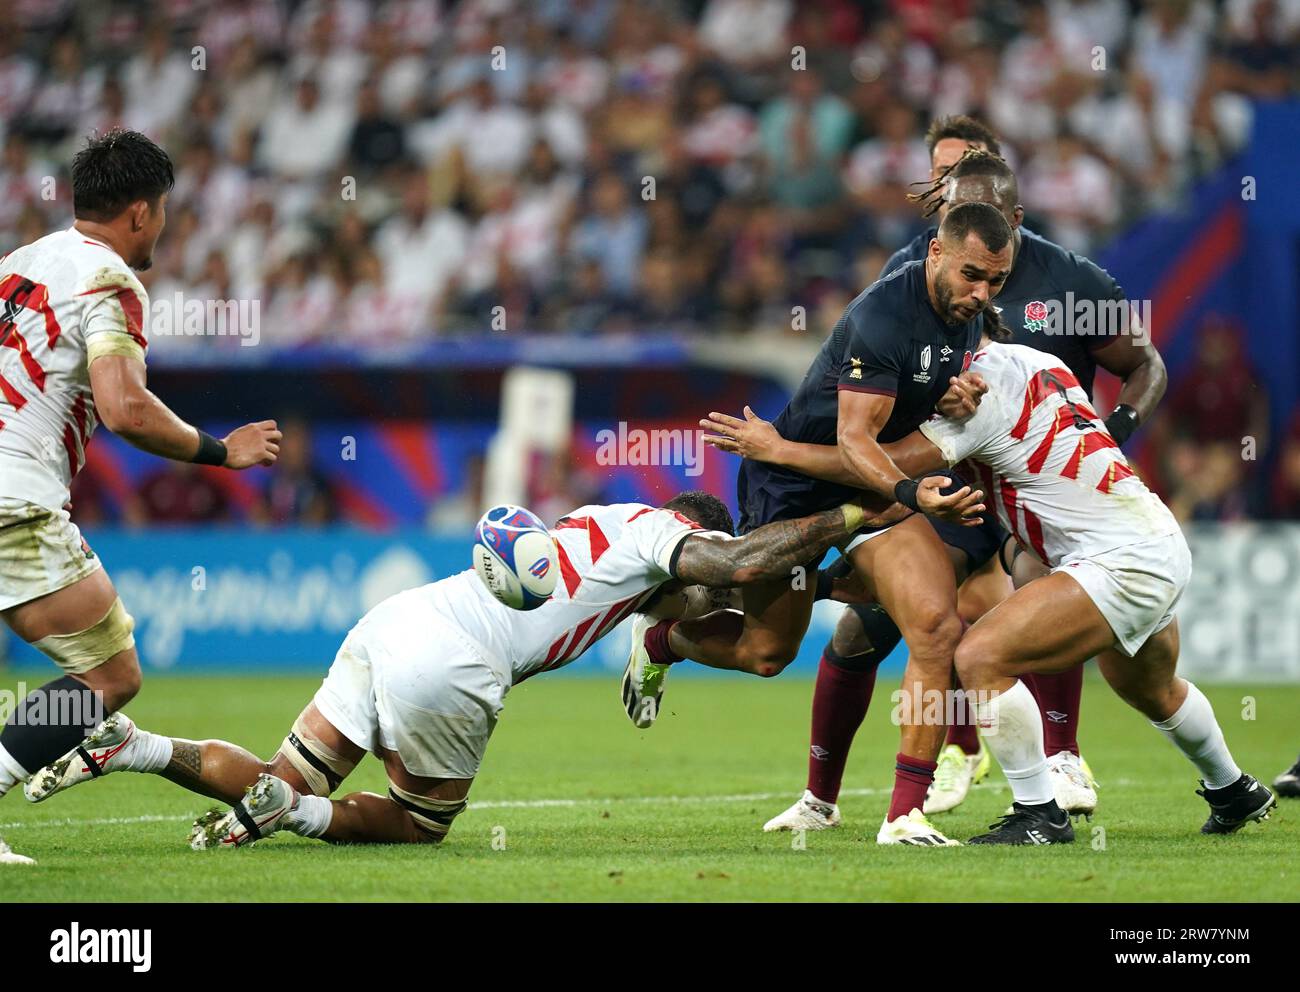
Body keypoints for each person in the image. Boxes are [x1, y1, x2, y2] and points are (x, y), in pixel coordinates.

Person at [23, 492, 893, 850]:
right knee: (417, 826)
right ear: (687, 530)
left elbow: (714, 608)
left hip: (398, 619)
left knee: (278, 774)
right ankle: (294, 813)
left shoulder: (602, 529)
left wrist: (820, 583)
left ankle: (131, 746)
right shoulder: (657, 535)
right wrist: (851, 513)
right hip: (455, 664)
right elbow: (735, 567)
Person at [705, 333, 1274, 843]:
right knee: (1151, 688)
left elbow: (883, 465)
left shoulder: (977, 398)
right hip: (1151, 538)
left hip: (1118, 561)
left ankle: (1039, 813)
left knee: (979, 656)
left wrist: (777, 449)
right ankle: (1233, 789)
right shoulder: (1038, 360)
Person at [761, 133, 1168, 832]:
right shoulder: (914, 271)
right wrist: (938, 402)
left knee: (1031, 587)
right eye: (941, 188)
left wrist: (1109, 435)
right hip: (950, 482)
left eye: (960, 185)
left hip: (1034, 488)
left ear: (1010, 214)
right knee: (870, 630)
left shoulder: (1075, 282)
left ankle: (1059, 760)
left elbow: (1145, 364)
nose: (945, 200)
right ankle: (832, 794)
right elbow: (885, 387)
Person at [622, 201, 1010, 847]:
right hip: (796, 489)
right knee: (766, 653)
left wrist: (950, 391)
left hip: (873, 491)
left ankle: (904, 816)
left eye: (995, 280)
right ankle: (664, 642)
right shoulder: (884, 315)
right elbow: (855, 440)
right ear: (937, 252)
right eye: (972, 275)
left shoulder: (967, 314)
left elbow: (912, 397)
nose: (982, 293)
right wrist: (909, 490)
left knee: (936, 626)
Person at [0, 129, 281, 866]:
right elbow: (124, 408)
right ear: (138, 214)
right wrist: (221, 450)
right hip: (13, 498)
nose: (162, 225)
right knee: (110, 674)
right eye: (162, 210)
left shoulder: (18, 265)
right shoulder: (109, 280)